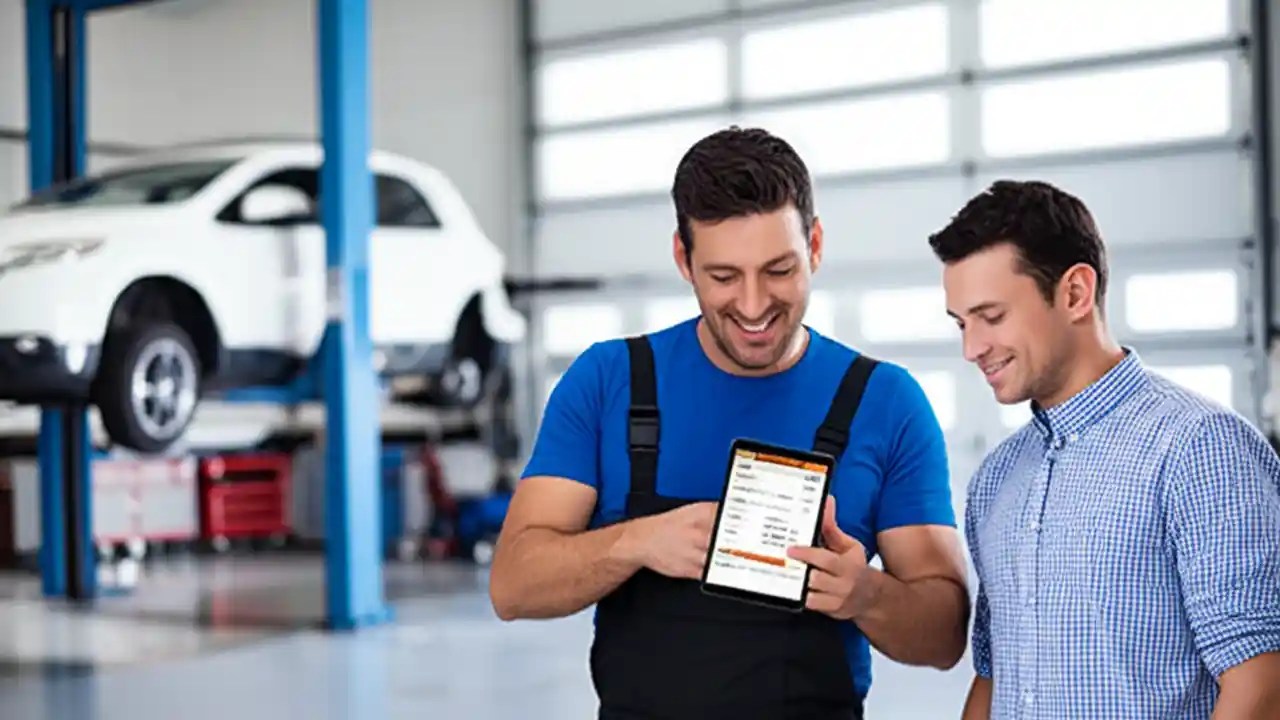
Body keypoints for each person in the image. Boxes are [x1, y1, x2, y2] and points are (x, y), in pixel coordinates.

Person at [488, 126, 971, 719]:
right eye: (723, 277)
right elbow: (512, 587)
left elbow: (945, 637)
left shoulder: (886, 402)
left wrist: (867, 595)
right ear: (683, 259)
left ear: (815, 245)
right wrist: (637, 542)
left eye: (778, 270)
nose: (753, 304)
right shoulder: (608, 382)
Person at [929, 179, 1280, 719]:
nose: (971, 348)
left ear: (1075, 293)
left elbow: (1262, 686)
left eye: (992, 317)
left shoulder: (1200, 448)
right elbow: (994, 676)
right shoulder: (996, 478)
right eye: (961, 323)